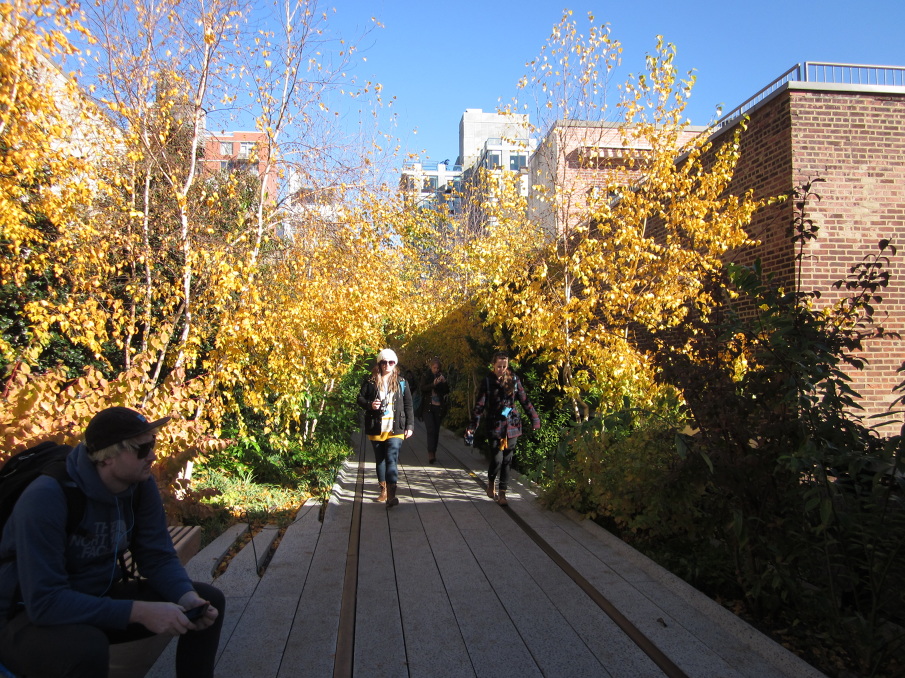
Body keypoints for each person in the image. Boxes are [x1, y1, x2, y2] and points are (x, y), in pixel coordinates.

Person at [0, 406, 224, 678]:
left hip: (95, 597)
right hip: (23, 616)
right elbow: (45, 602)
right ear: (107, 457)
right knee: (86, 648)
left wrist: (186, 597)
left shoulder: (139, 486)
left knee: (206, 603)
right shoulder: (46, 498)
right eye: (142, 449)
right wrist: (138, 612)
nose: (152, 455)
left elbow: (157, 555)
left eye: (152, 444)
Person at [466, 352, 540, 506]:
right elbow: (480, 406)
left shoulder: (514, 379)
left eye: (504, 366)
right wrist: (473, 426)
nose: (501, 369)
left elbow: (525, 400)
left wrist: (534, 419)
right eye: (499, 366)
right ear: (493, 365)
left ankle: (502, 494)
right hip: (495, 425)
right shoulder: (487, 381)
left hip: (512, 425)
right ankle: (491, 481)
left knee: (507, 460)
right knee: (497, 459)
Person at [357, 349, 414, 507]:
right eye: (384, 362)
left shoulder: (401, 382)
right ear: (379, 363)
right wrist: (370, 405)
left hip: (396, 427)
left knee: (391, 458)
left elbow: (408, 405)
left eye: (390, 362)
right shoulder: (371, 380)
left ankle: (391, 495)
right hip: (377, 426)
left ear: (395, 363)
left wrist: (409, 425)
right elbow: (359, 398)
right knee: (380, 459)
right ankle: (383, 489)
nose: (387, 365)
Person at [419, 357, 450, 464]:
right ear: (431, 367)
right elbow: (422, 388)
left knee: (436, 430)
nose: (436, 370)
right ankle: (430, 453)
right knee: (431, 429)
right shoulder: (426, 376)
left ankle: (434, 451)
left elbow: (446, 390)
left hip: (438, 407)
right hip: (427, 407)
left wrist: (444, 382)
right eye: (434, 368)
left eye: (437, 368)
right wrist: (433, 384)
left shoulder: (441, 376)